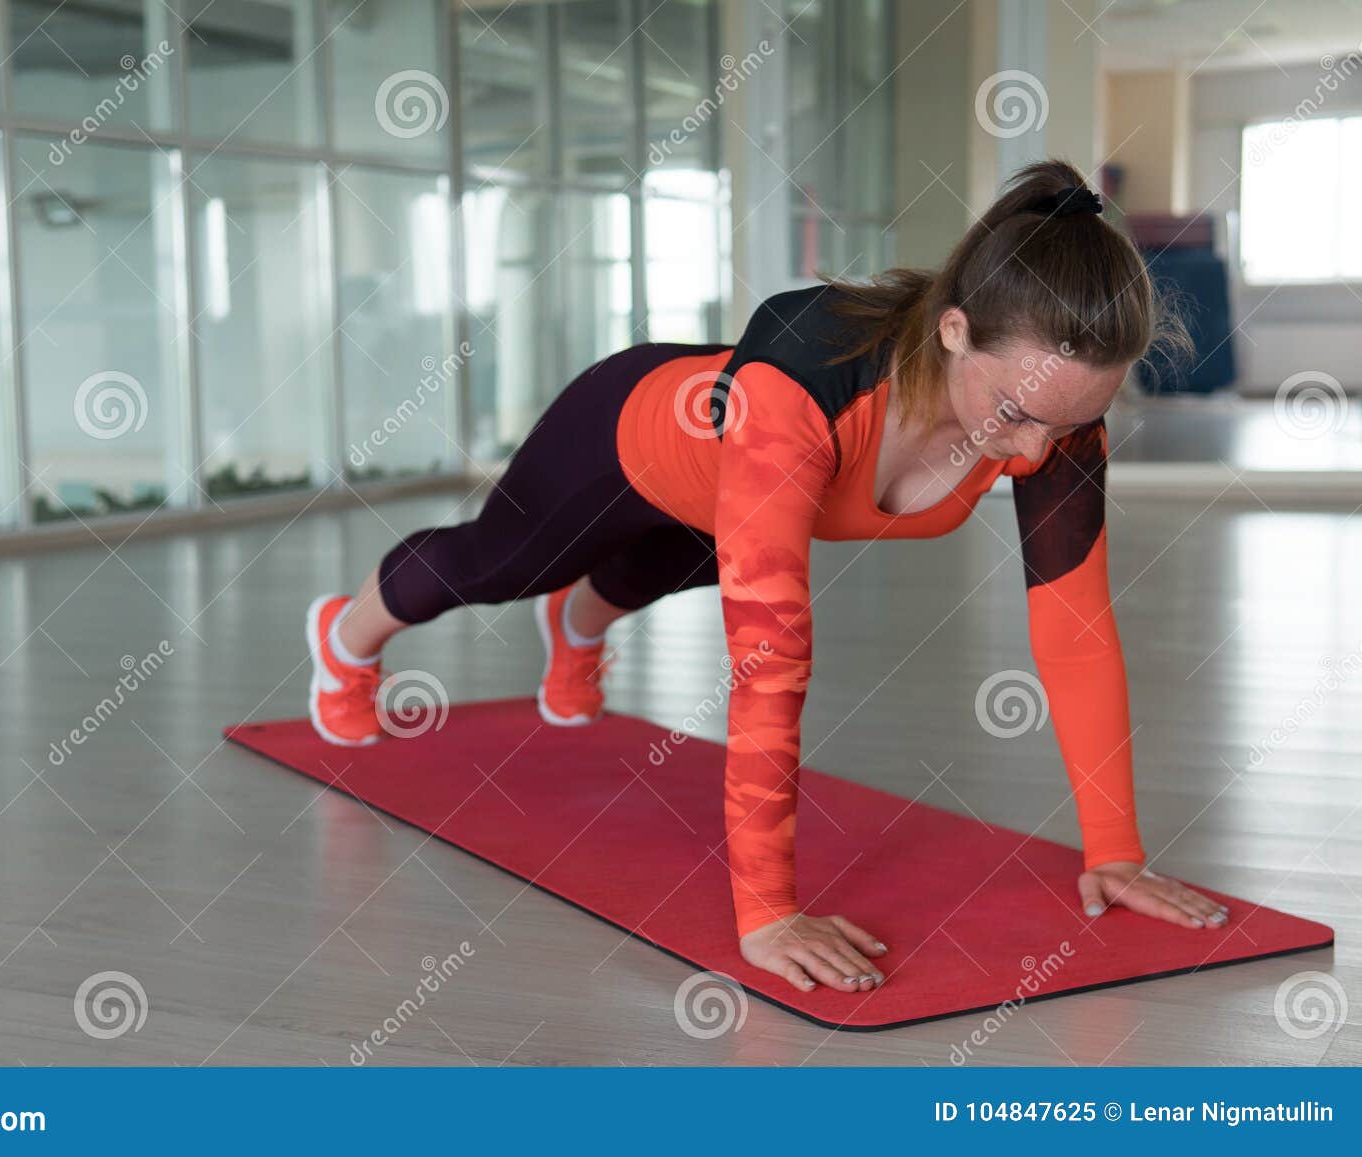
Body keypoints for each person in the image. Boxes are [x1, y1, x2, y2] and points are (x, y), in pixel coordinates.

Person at [301, 159, 1224, 995]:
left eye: (1067, 425)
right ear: (953, 330)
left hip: (722, 500)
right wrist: (768, 910)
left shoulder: (1054, 423)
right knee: (499, 564)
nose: (1035, 449)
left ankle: (576, 631)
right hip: (621, 436)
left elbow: (1075, 629)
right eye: (1018, 411)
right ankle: (346, 635)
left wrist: (1116, 849)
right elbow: (769, 660)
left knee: (675, 561)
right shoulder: (808, 385)